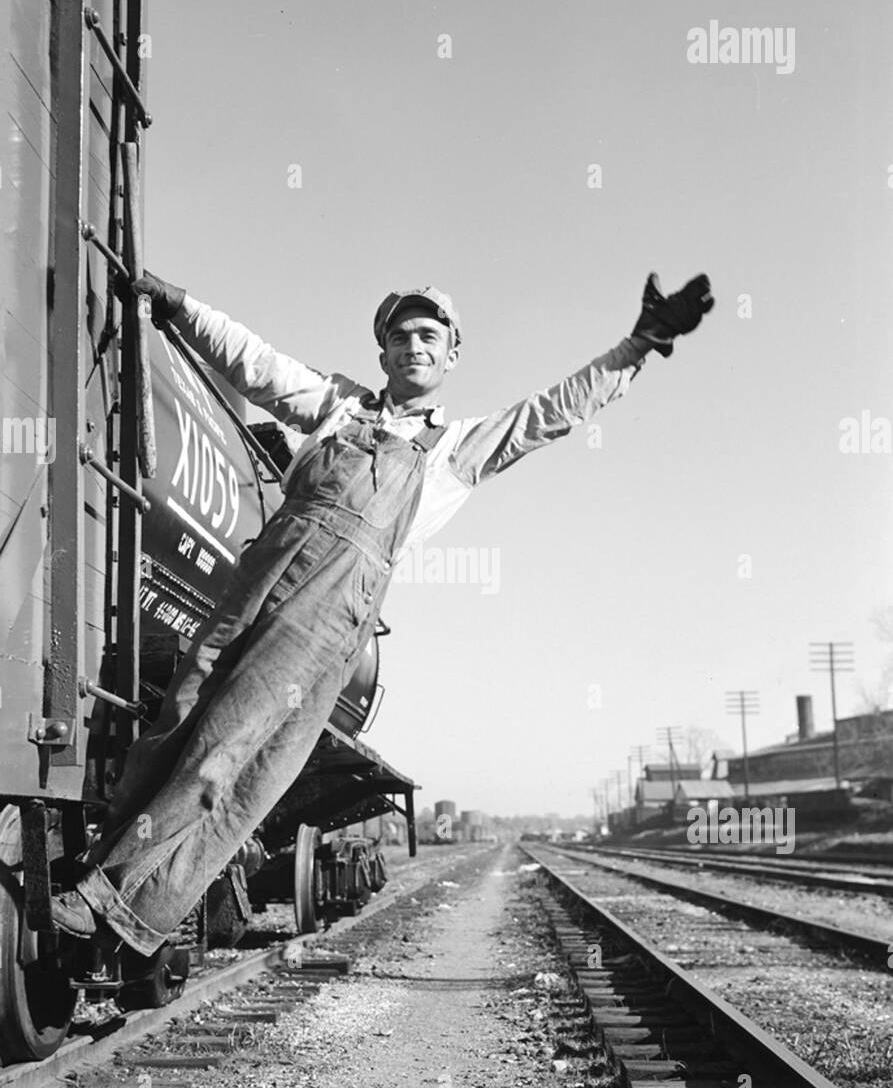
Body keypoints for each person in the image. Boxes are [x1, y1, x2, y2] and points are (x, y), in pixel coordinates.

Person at [51, 271, 713, 954]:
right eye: (399, 337)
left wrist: (640, 343)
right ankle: (96, 873)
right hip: (259, 576)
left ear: (451, 354)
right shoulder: (337, 406)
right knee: (179, 715)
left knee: (229, 746)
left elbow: (550, 411)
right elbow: (255, 362)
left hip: (325, 616)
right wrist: (180, 306)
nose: (413, 347)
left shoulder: (454, 452)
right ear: (383, 354)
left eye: (429, 336)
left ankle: (120, 904)